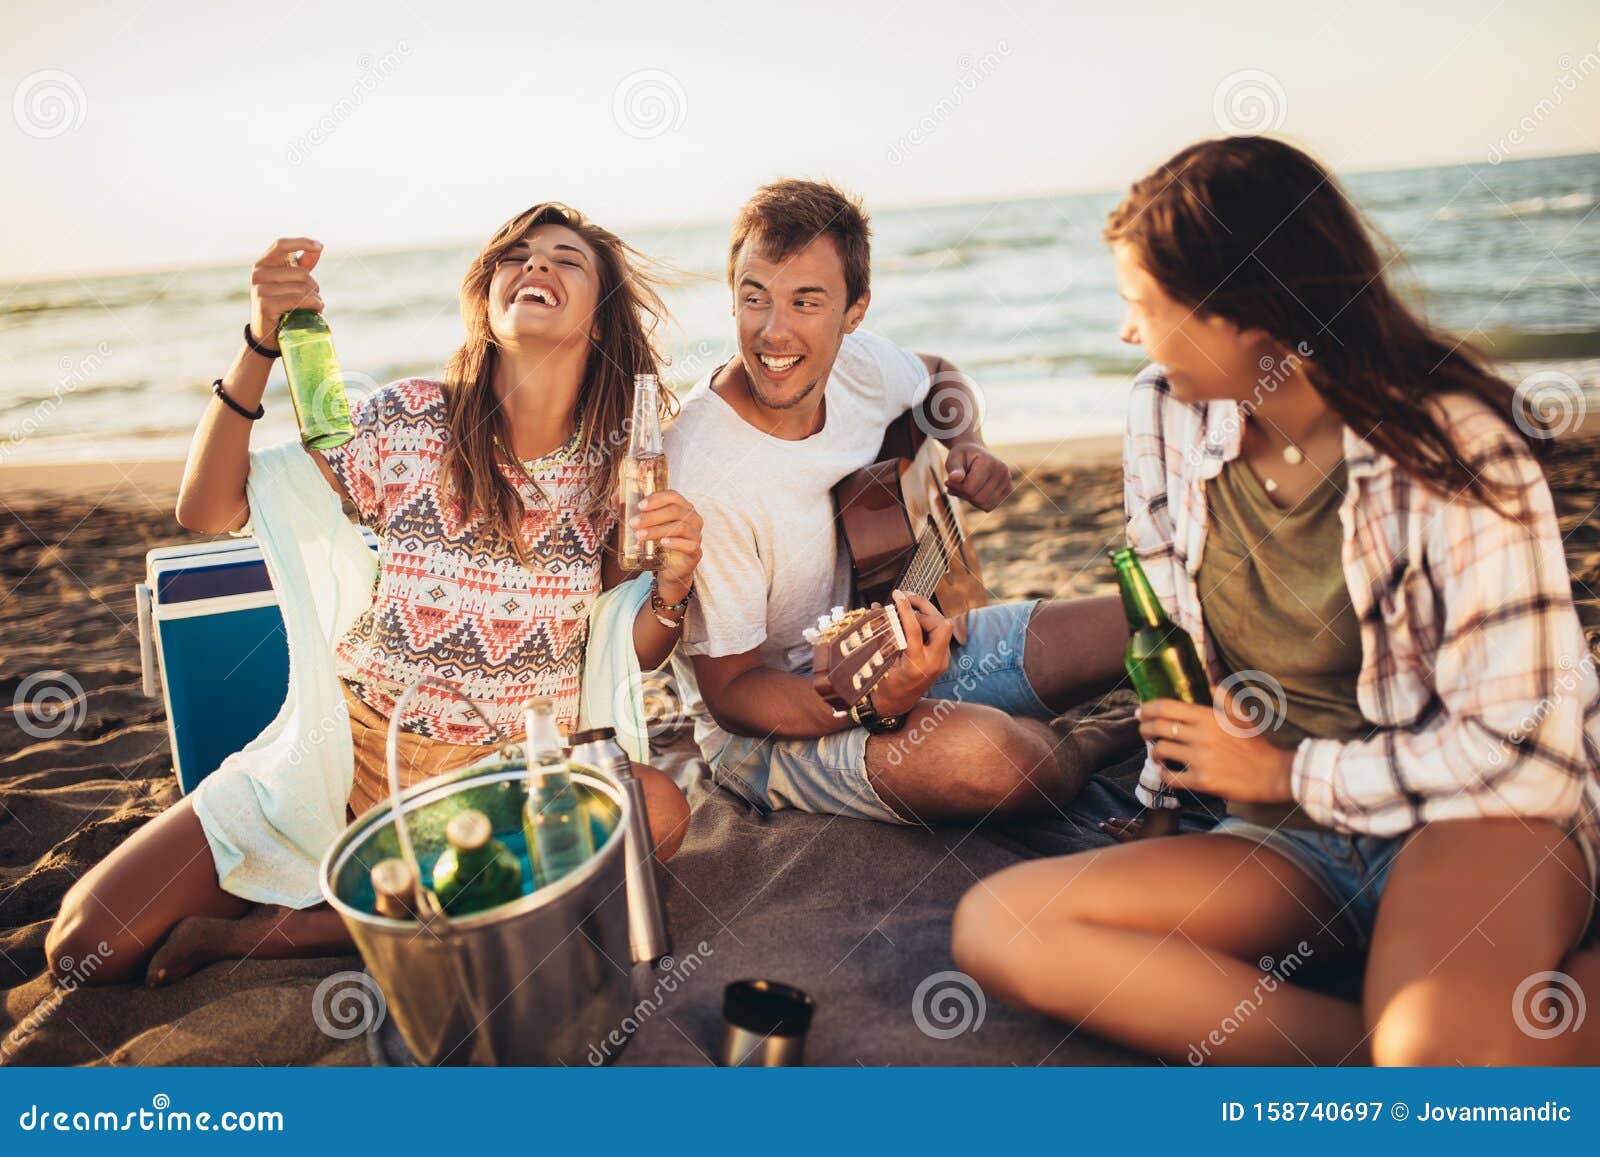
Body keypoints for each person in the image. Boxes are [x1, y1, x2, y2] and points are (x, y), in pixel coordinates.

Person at [952, 136, 1600, 1065]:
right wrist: (1167, 796)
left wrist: (1289, 774)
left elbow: (1525, 754)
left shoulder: (1459, 453)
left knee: (1431, 1052)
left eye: (1145, 307)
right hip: (1293, 844)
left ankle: (1431, 1055)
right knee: (1003, 924)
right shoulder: (1163, 412)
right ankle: (1383, 1068)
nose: (1128, 333)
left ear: (1244, 319)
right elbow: (1169, 630)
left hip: (1470, 821)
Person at [47, 203, 698, 987]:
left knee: (656, 811)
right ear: (487, 303)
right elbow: (207, 509)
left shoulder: (617, 468)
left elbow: (627, 648)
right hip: (347, 754)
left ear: (597, 323)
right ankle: (399, 913)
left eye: (566, 259)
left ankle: (281, 935)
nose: (535, 267)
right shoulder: (410, 419)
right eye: (516, 256)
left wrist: (672, 586)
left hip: (504, 784)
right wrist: (261, 339)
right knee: (87, 944)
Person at [665, 178, 1139, 828]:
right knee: (1002, 762)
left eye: (807, 301)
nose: (774, 332)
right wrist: (873, 701)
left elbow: (941, 374)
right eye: (755, 299)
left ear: (854, 311)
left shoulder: (858, 364)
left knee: (1153, 620)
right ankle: (1105, 738)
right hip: (772, 730)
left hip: (907, 633)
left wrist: (969, 443)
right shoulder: (705, 468)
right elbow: (734, 697)